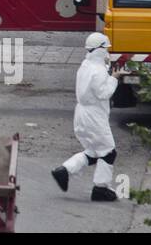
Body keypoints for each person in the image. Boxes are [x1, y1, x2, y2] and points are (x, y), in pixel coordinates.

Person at [51, 32, 126, 201]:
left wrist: (106, 69)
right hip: (94, 116)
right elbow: (103, 92)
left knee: (93, 152)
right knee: (108, 152)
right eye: (105, 49)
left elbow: (93, 81)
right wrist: (114, 78)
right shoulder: (98, 70)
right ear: (100, 50)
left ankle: (64, 170)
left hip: (82, 114)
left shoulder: (85, 65)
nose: (107, 52)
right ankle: (101, 188)